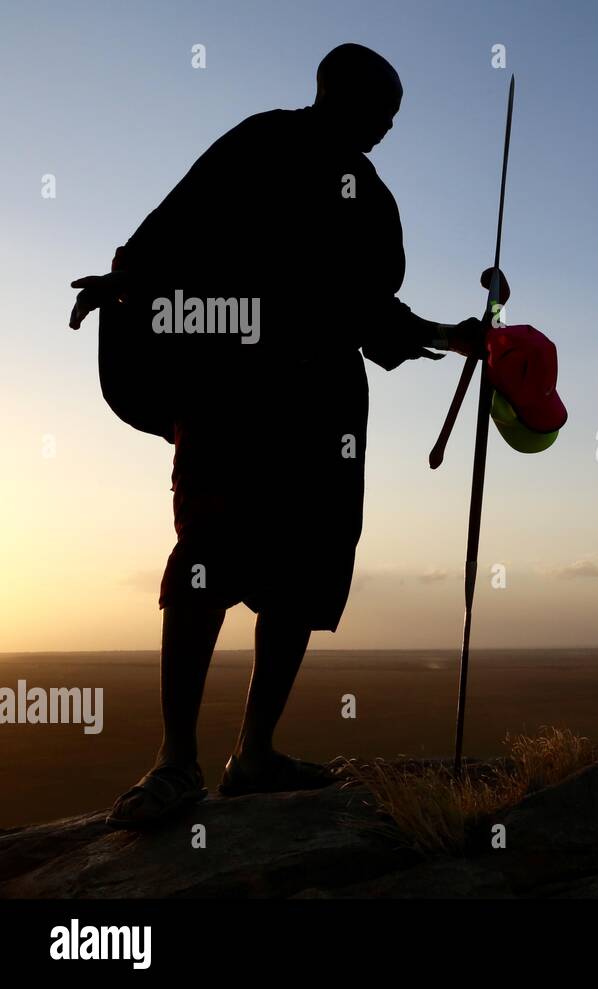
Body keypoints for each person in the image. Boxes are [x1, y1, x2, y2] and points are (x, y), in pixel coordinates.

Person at [68, 43, 508, 828]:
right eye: (380, 111)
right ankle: (175, 760)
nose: (386, 128)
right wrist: (126, 281)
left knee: (305, 572)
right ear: (335, 93)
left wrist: (453, 334)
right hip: (231, 388)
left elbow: (374, 316)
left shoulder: (372, 199)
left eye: (394, 118)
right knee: (206, 555)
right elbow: (175, 227)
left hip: (327, 406)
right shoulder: (262, 141)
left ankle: (255, 753)